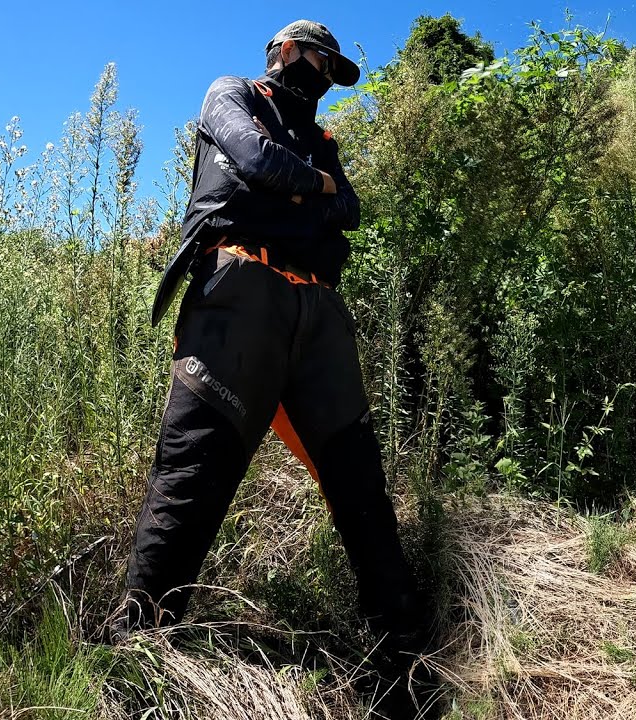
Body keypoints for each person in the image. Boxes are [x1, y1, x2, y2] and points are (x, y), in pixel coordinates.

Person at [113, 19, 430, 676]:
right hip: (238, 294)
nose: (325, 80)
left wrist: (289, 195)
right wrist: (311, 192)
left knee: (358, 476)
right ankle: (136, 645)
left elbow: (348, 218)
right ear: (285, 52)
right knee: (195, 470)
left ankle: (401, 644)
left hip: (317, 310)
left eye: (336, 74)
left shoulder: (323, 137)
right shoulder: (230, 95)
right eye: (320, 62)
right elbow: (253, 165)